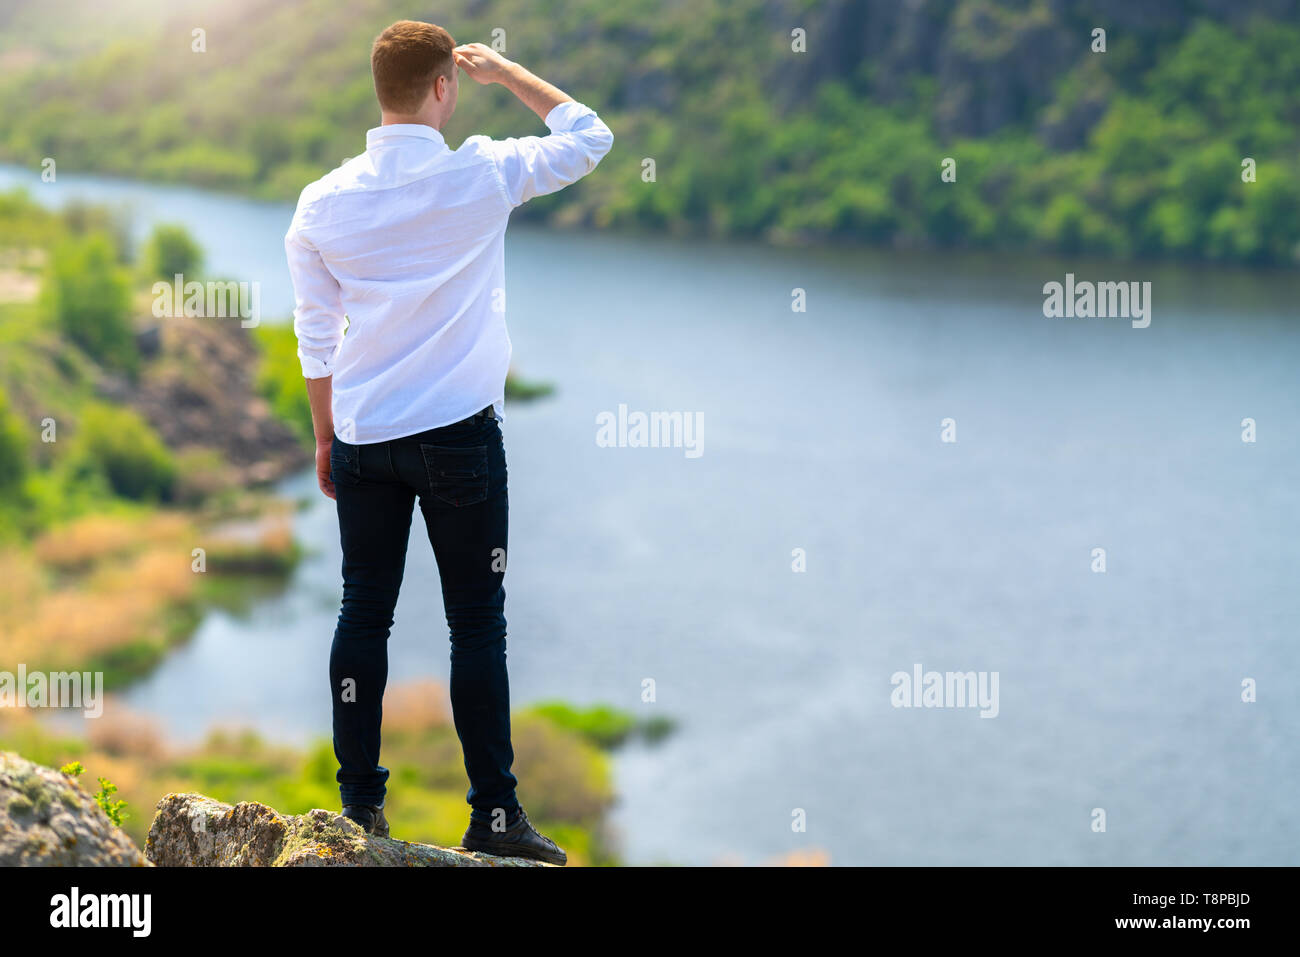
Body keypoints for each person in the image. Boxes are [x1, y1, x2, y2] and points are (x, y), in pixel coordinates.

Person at [284, 19, 613, 865]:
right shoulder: (484, 172)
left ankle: (359, 809)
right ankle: (494, 815)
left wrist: (325, 437)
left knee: (364, 612)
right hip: (461, 439)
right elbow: (590, 136)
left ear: (378, 89)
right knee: (476, 623)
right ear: (444, 87)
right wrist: (508, 74)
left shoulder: (322, 201)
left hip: (363, 437)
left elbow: (315, 337)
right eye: (459, 82)